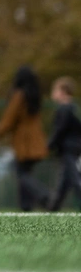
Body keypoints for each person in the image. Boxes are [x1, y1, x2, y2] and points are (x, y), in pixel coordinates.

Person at [0, 66, 49, 211]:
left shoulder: (19, 95)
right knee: (25, 172)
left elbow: (9, 118)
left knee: (20, 173)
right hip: (36, 140)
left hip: (24, 142)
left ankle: (42, 194)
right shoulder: (35, 96)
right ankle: (26, 207)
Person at [47, 77, 81, 212]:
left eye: (55, 90)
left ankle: (53, 208)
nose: (53, 94)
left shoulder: (64, 109)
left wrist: (49, 145)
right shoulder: (75, 108)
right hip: (75, 147)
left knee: (74, 178)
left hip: (68, 148)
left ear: (63, 92)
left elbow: (60, 130)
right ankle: (53, 208)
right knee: (64, 181)